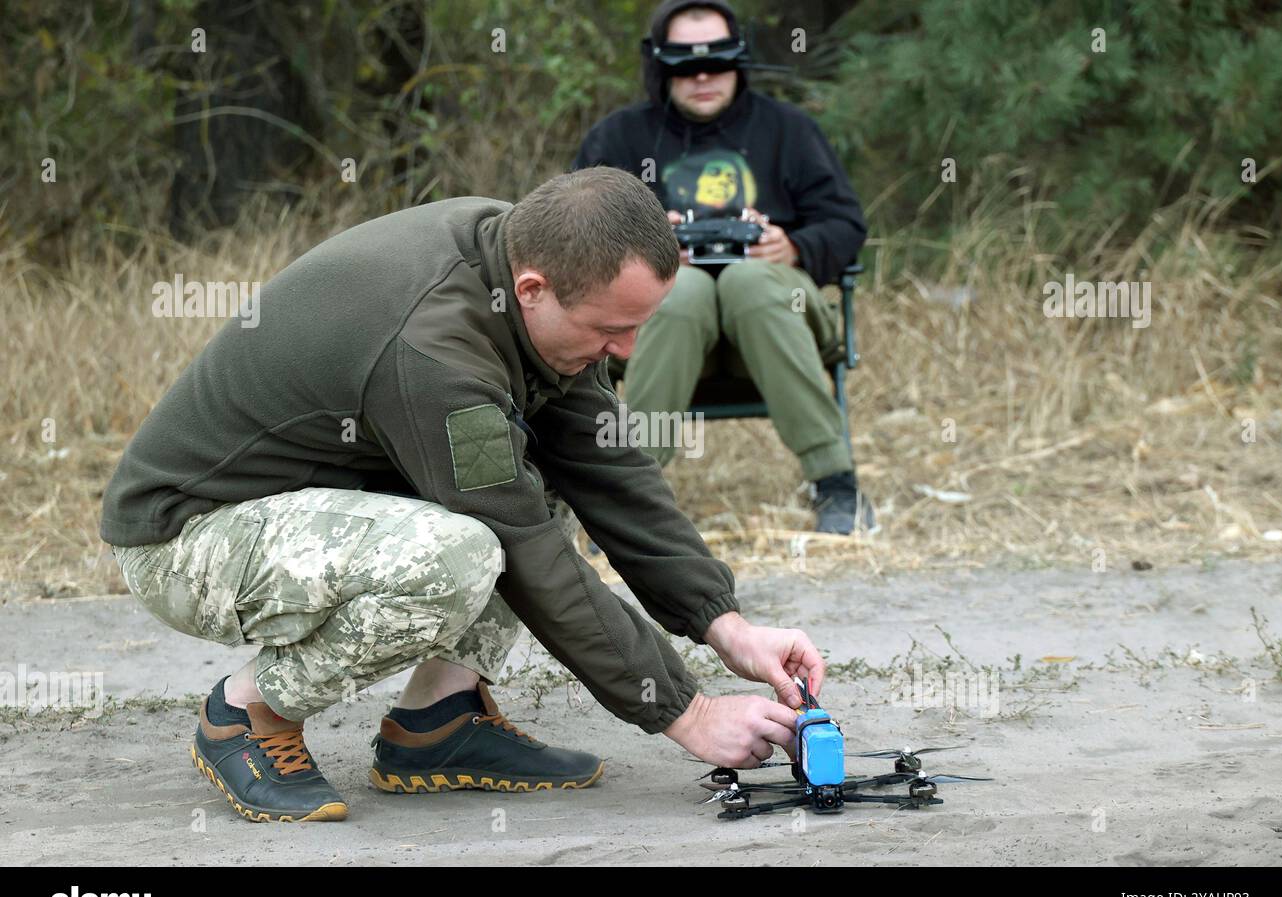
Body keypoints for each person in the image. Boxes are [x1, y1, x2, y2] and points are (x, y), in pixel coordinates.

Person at [100, 166, 825, 823]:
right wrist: (687, 713)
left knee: (524, 483)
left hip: (308, 507)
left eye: (639, 326)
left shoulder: (524, 259)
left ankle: (440, 720)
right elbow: (523, 543)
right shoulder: (436, 350)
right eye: (613, 329)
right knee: (463, 549)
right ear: (535, 288)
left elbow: (606, 468)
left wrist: (725, 624)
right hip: (187, 538)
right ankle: (246, 713)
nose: (628, 351)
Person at [573, 0, 873, 534]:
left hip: (778, 315)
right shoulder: (618, 140)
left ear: (742, 60)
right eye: (685, 64)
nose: (704, 75)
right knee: (682, 290)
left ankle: (835, 482)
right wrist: (644, 248)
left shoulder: (789, 131)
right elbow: (571, 240)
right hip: (661, 331)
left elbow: (847, 225)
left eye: (719, 59)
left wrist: (794, 246)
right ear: (660, 66)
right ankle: (632, 498)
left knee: (749, 279)